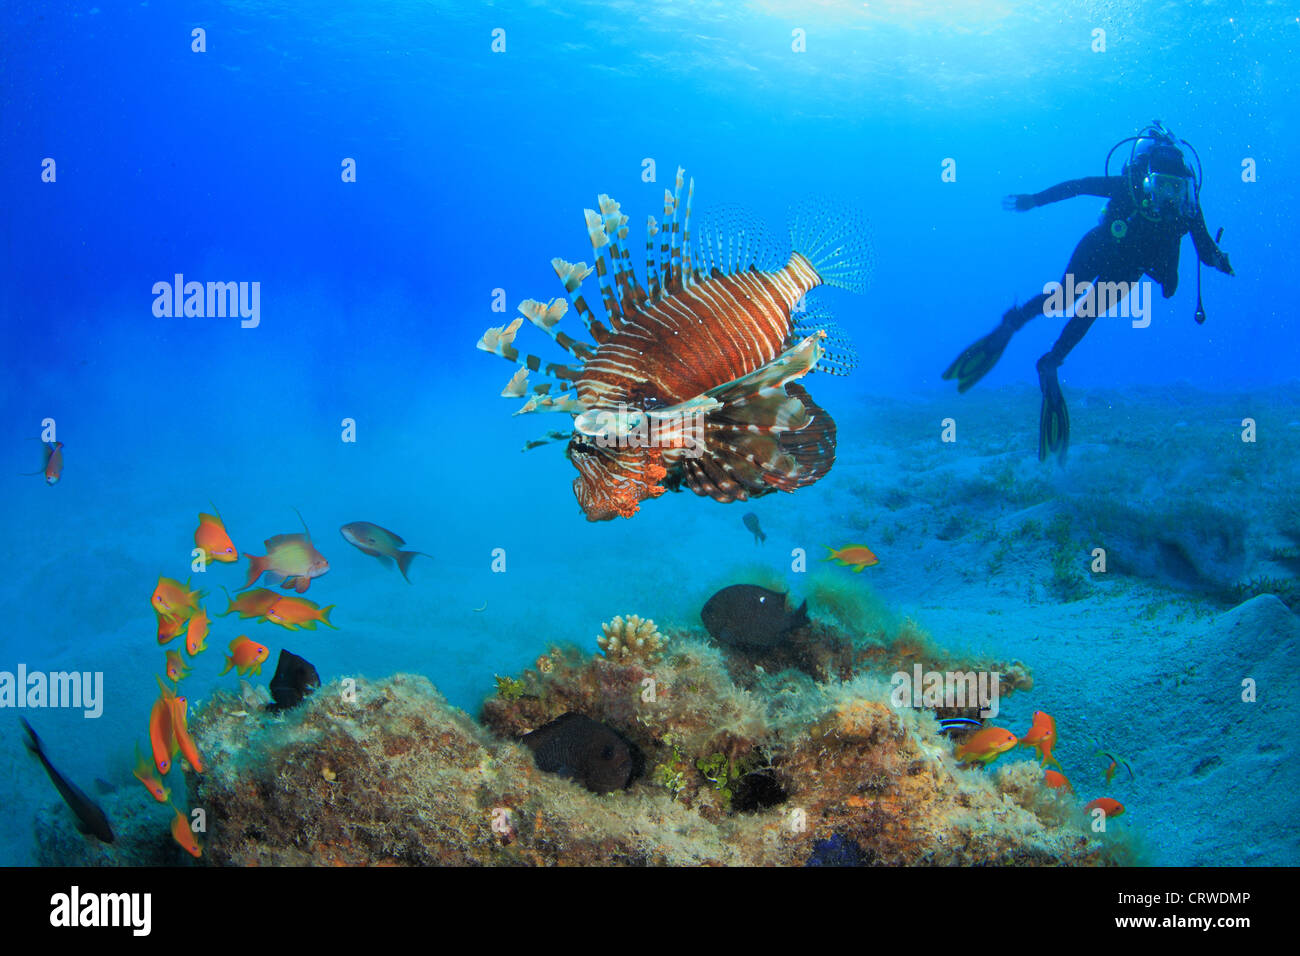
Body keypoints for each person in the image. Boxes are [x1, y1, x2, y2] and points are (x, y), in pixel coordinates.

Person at [942, 121, 1234, 462]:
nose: (1168, 196)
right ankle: (1018, 329)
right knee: (1067, 299)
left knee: (1091, 310)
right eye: (1162, 185)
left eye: (1176, 188)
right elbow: (1079, 186)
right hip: (1102, 248)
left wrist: (1220, 260)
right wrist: (1035, 200)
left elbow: (1205, 249)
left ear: (1186, 188)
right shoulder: (1129, 188)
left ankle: (1050, 360)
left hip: (1128, 266)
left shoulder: (1188, 208)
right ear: (1146, 178)